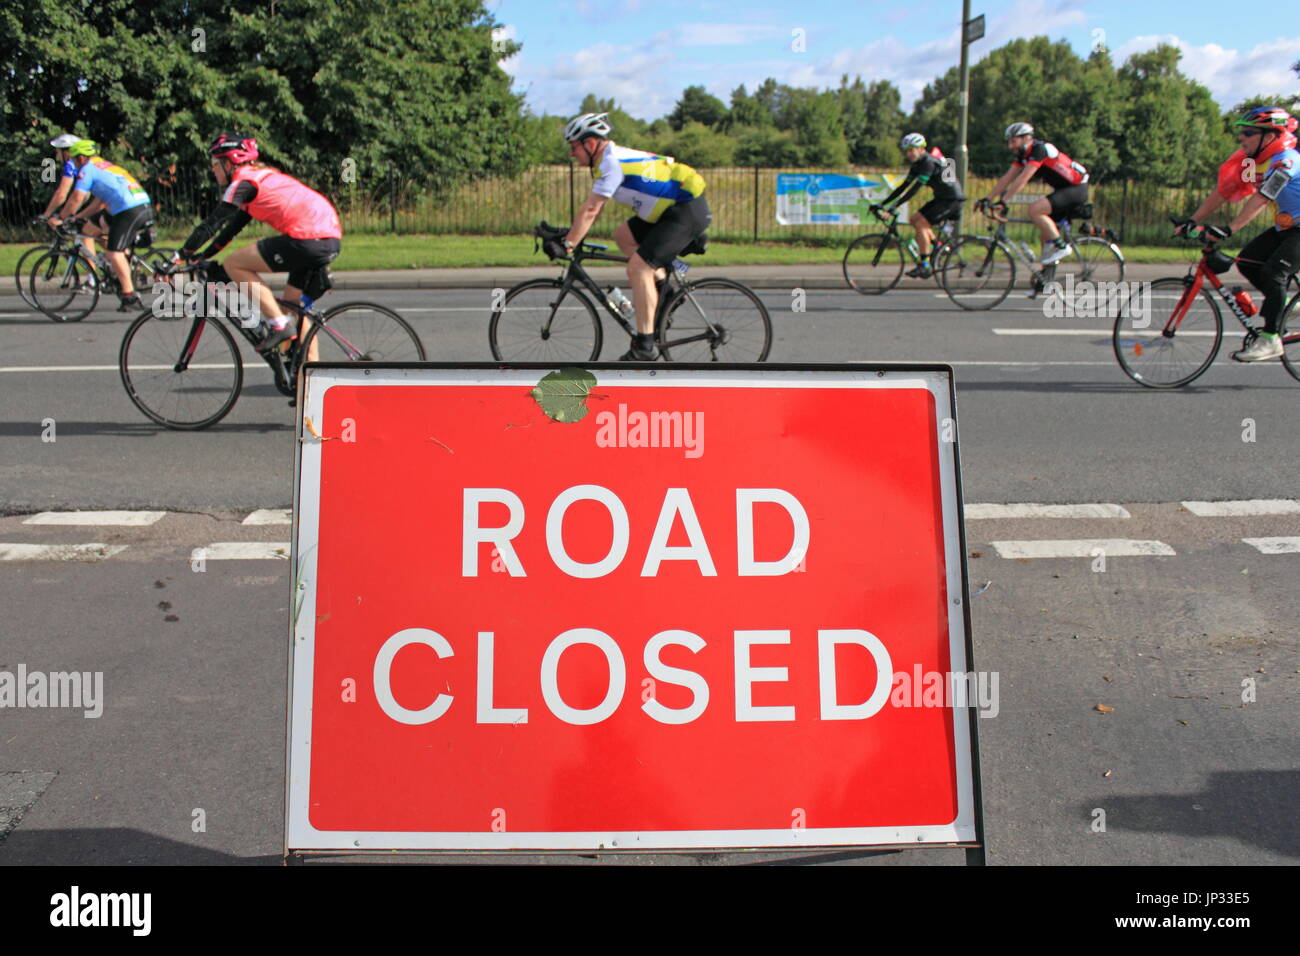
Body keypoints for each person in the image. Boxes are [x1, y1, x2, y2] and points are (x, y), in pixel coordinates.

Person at [561, 112, 710, 361]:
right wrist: (571, 237)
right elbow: (593, 211)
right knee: (622, 235)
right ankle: (665, 291)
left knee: (639, 268)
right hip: (666, 211)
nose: (571, 153)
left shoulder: (611, 164)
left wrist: (568, 244)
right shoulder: (609, 160)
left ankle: (645, 346)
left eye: (574, 147)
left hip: (684, 209)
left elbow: (590, 210)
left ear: (589, 144)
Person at [177, 132, 342, 352]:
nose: (212, 169)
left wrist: (179, 255)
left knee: (234, 264)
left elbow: (212, 224)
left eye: (215, 163)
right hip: (329, 239)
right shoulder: (262, 179)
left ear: (229, 162)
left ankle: (278, 326)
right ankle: (308, 375)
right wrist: (201, 256)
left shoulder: (243, 184)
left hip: (306, 238)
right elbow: (229, 231)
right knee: (293, 308)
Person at [1176, 106, 1300, 361]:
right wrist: (1191, 221)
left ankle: (1270, 339)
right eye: (1241, 132)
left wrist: (1229, 229)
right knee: (1247, 262)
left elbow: (1263, 198)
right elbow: (1225, 191)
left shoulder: (1287, 160)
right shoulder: (1254, 163)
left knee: (1274, 272)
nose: (1241, 137)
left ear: (1270, 136)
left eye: (1248, 132)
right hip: (1287, 228)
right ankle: (1285, 308)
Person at [48, 140, 153, 310]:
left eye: (74, 160)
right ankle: (117, 272)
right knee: (97, 226)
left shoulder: (87, 170)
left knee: (113, 252)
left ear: (81, 158)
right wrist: (78, 217)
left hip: (129, 209)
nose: (74, 164)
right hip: (134, 206)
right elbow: (99, 202)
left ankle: (129, 295)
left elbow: (77, 198)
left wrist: (61, 217)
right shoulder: (104, 166)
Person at [984, 122, 1089, 265]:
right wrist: (987, 199)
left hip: (1076, 189)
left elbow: (1023, 178)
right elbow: (1007, 178)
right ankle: (1045, 278)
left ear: (1026, 138)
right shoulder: (1024, 155)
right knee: (1045, 238)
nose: (1010, 146)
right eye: (1009, 141)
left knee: (1035, 210)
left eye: (1013, 141)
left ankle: (1062, 247)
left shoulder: (1039, 150)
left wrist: (1004, 201)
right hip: (1064, 190)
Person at [877, 133, 964, 278]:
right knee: (914, 219)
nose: (909, 154)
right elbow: (903, 187)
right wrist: (882, 204)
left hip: (952, 201)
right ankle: (937, 246)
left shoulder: (928, 163)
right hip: (942, 199)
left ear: (921, 148)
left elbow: (914, 190)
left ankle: (925, 265)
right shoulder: (917, 164)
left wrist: (893, 208)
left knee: (922, 224)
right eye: (907, 151)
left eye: (912, 150)